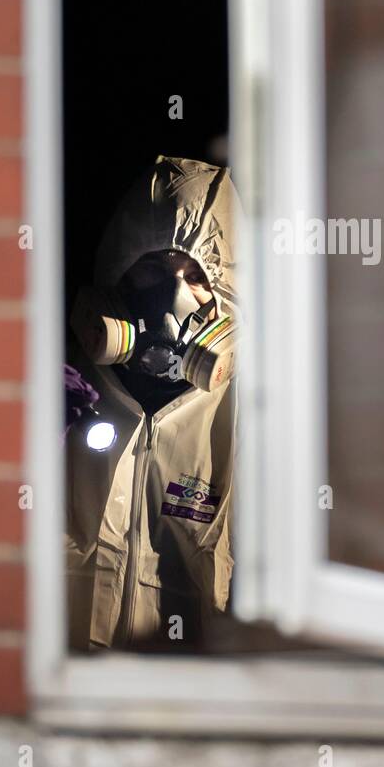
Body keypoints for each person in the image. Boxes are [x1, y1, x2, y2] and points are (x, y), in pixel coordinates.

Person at [64, 156, 239, 653]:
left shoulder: (247, 418)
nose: (174, 295)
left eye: (197, 277)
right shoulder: (62, 396)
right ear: (116, 275)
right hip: (59, 690)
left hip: (182, 710)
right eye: (155, 268)